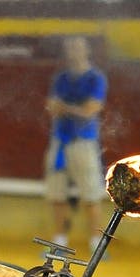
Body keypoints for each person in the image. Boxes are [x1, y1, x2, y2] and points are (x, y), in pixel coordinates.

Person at [44, 36, 108, 254]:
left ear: (86, 50)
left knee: (91, 194)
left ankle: (96, 243)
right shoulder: (61, 78)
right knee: (57, 193)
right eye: (70, 47)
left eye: (77, 47)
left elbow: (91, 109)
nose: (73, 52)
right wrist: (75, 109)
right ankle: (60, 241)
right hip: (60, 141)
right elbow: (52, 106)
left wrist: (66, 108)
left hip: (84, 141)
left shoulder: (95, 78)